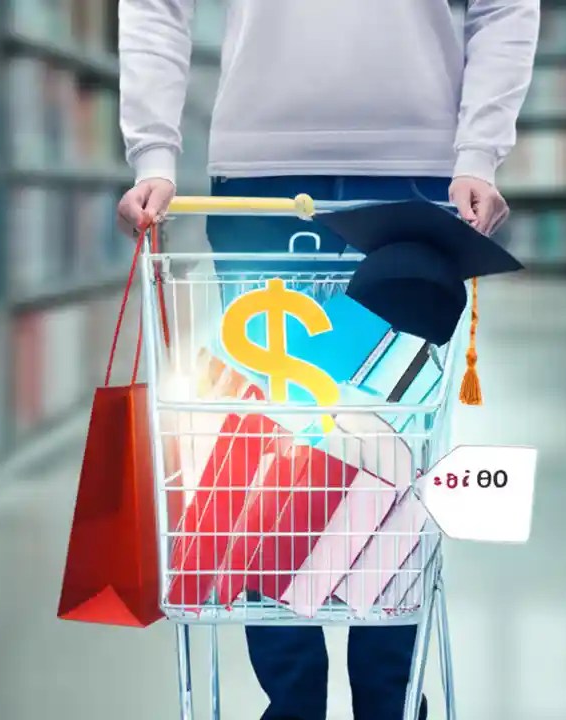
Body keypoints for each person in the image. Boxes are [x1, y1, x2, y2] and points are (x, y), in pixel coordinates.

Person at [114, 2, 539, 719]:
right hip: (262, 173)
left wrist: (479, 151)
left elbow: (505, 6)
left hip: (418, 175)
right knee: (265, 457)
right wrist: (153, 151)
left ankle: (392, 702)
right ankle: (294, 704)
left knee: (395, 457)